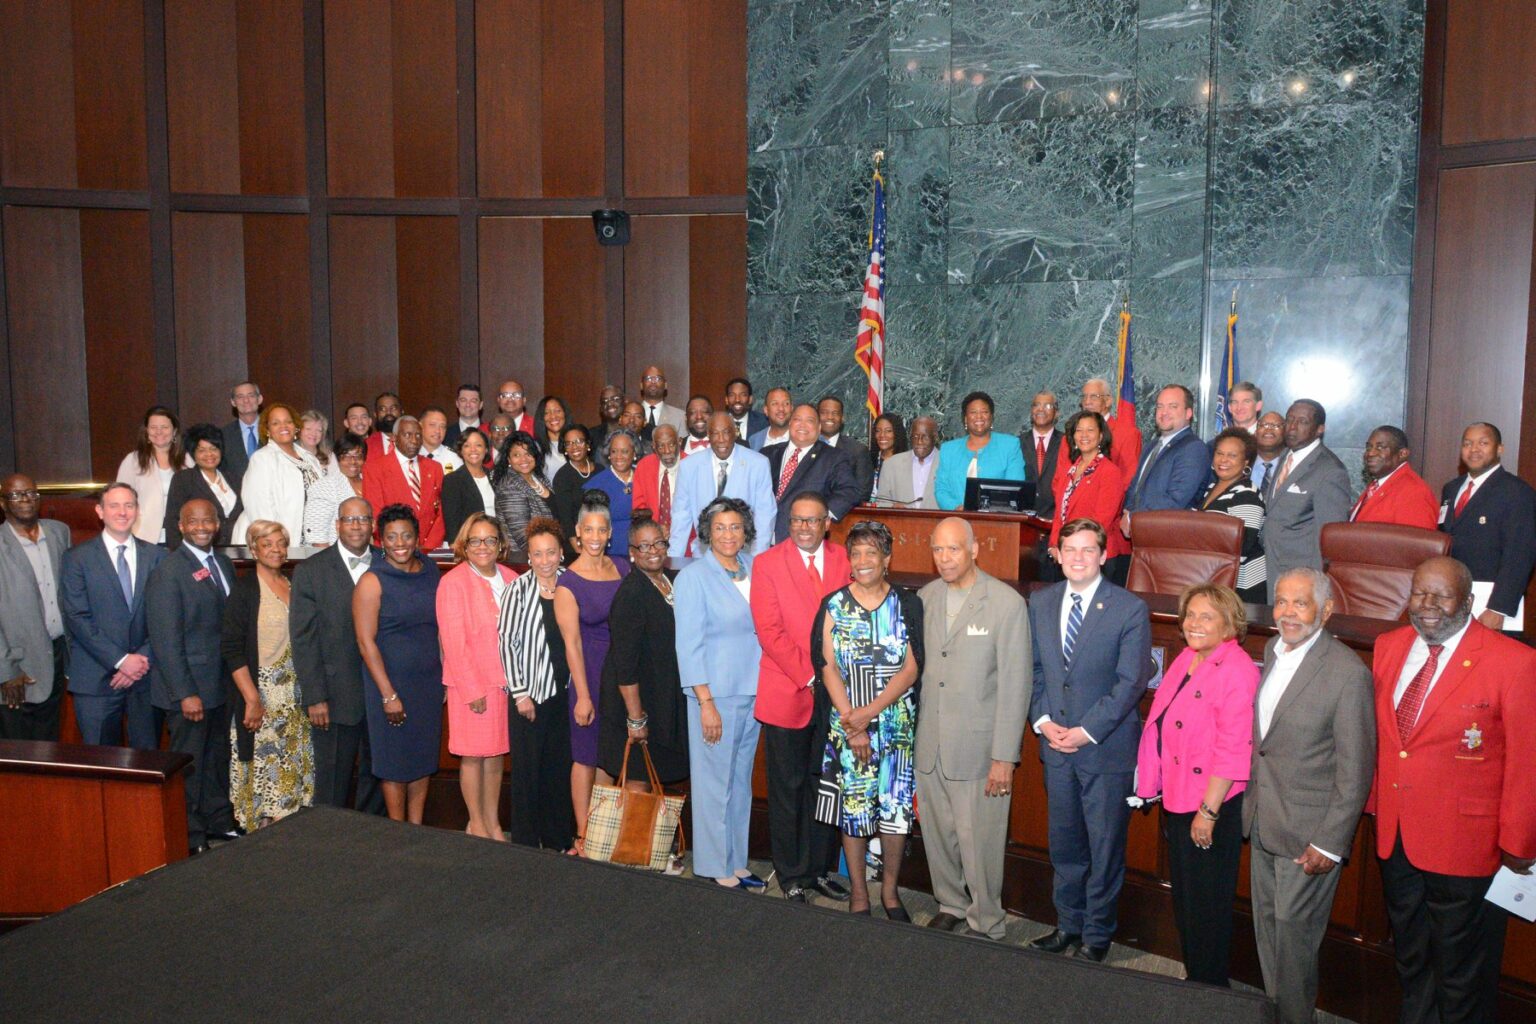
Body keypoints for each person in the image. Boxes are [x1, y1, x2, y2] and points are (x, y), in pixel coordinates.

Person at [1372, 556, 1536, 1022]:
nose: (1428, 606)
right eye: (1420, 593)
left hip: (1467, 845)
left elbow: (1528, 761)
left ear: (1467, 601)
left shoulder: (1515, 662)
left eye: (1441, 596)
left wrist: (1520, 842)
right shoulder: (1389, 646)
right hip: (1397, 837)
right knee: (1411, 959)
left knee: (1462, 974)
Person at [1244, 568, 1373, 1024]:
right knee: (1269, 933)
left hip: (1308, 836)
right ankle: (1279, 1015)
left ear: (1327, 610)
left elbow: (1355, 770)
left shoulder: (1347, 673)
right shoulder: (1272, 650)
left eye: (1300, 603)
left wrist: (1329, 843)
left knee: (1294, 944)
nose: (1287, 613)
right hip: (1263, 818)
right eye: (1281, 602)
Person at [1027, 518, 1152, 961]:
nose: (1078, 558)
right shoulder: (1040, 603)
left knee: (1103, 847)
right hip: (1055, 746)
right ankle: (1068, 925)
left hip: (1105, 748)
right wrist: (1042, 722)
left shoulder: (1128, 609)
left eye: (1088, 550)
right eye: (1070, 550)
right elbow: (1036, 672)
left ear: (1103, 555)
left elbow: (1130, 682)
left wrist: (1084, 732)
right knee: (1065, 845)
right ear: (1057, 555)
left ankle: (1097, 937)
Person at [1135, 582, 1259, 987]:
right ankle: (1197, 978)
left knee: (1207, 906)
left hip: (1211, 806)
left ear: (1230, 624)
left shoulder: (1237, 669)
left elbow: (1232, 748)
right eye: (1190, 614)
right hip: (1178, 796)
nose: (1194, 623)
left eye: (1206, 616)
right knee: (1187, 901)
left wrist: (1208, 813)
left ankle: (1210, 990)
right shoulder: (1188, 658)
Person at [916, 517, 1031, 938]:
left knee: (979, 841)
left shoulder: (1005, 603)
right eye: (938, 550)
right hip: (930, 743)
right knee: (938, 835)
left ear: (974, 550)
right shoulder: (925, 598)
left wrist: (1004, 756)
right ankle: (950, 903)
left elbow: (1016, 684)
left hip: (980, 750)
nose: (945, 559)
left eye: (954, 549)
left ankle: (987, 920)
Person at [812, 521, 923, 919]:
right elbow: (826, 666)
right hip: (847, 725)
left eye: (871, 553)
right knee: (855, 807)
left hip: (895, 725)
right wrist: (851, 721)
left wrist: (870, 714)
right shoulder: (834, 604)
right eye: (855, 553)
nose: (862, 561)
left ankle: (889, 892)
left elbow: (911, 668)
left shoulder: (907, 603)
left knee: (894, 812)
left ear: (887, 559)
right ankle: (860, 893)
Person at [750, 492, 853, 904]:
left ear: (827, 523)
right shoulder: (768, 563)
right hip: (789, 690)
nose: (804, 528)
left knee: (824, 785)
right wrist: (814, 675)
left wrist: (837, 680)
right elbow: (769, 630)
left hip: (836, 698)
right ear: (787, 523)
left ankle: (817, 869)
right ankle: (790, 873)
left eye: (812, 521)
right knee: (788, 788)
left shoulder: (846, 559)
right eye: (797, 521)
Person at [675, 496, 765, 890]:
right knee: (713, 784)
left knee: (740, 783)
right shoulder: (693, 578)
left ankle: (737, 859)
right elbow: (688, 645)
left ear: (746, 531)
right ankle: (713, 864)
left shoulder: (753, 569)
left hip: (753, 692)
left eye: (735, 527)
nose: (729, 535)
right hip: (714, 696)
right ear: (706, 533)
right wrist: (705, 702)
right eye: (720, 527)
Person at [147, 499, 237, 853]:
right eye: (193, 521)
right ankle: (191, 835)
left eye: (208, 520)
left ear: (218, 525)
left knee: (216, 758)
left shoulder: (224, 564)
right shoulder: (169, 571)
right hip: (190, 691)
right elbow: (166, 641)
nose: (202, 526)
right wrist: (185, 692)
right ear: (181, 526)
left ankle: (218, 823)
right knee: (191, 766)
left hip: (220, 686)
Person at [290, 496, 385, 814]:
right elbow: (304, 640)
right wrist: (315, 696)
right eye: (349, 519)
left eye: (363, 519)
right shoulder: (311, 570)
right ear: (337, 525)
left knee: (377, 779)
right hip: (333, 697)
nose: (357, 526)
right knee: (332, 785)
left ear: (372, 526)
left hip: (380, 694)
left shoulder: (389, 563)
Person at [354, 505, 443, 824]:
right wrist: (388, 695)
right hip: (389, 685)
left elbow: (439, 627)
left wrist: (444, 676)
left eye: (406, 535)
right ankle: (397, 831)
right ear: (381, 540)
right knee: (394, 763)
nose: (400, 542)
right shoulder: (372, 581)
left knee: (423, 758)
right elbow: (366, 643)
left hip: (428, 684)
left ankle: (416, 829)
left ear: (418, 537)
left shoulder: (430, 570)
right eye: (391, 537)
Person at [223, 519, 314, 831]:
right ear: (253, 549)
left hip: (294, 697)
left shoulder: (292, 583)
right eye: (267, 544)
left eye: (280, 543)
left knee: (291, 772)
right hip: (261, 697)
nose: (276, 549)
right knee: (266, 774)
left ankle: (286, 840)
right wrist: (251, 699)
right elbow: (232, 648)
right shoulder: (245, 589)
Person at [61, 483, 166, 748]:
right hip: (96, 679)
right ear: (100, 511)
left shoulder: (157, 556)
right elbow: (77, 617)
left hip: (145, 677)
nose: (122, 512)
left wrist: (139, 660)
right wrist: (120, 661)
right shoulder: (76, 558)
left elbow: (165, 618)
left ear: (137, 511)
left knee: (148, 763)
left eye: (129, 505)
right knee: (102, 769)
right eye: (114, 505)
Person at [497, 517, 578, 851]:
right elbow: (507, 642)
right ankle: (527, 846)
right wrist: (520, 694)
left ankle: (559, 839)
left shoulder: (572, 584)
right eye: (537, 554)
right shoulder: (518, 589)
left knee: (559, 772)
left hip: (565, 697)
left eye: (551, 553)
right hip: (529, 698)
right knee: (528, 776)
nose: (545, 560)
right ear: (529, 557)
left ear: (561, 553)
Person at [554, 491, 629, 846]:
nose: (596, 537)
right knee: (585, 757)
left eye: (602, 530)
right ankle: (583, 836)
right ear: (577, 533)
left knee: (609, 755)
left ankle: (602, 834)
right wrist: (583, 696)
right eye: (589, 530)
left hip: (622, 677)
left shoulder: (623, 567)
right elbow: (572, 644)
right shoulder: (569, 581)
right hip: (589, 675)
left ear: (610, 532)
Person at [438, 513, 516, 841]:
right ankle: (477, 823)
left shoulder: (512, 577)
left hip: (505, 684)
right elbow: (453, 642)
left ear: (500, 545)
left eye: (490, 540)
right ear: (464, 545)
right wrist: (472, 689)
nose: (483, 547)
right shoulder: (453, 582)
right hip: (470, 684)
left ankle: (492, 821)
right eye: (475, 541)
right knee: (472, 755)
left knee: (496, 754)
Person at [599, 518, 689, 788]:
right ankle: (630, 833)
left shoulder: (671, 580)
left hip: (661, 698)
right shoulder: (632, 592)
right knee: (637, 781)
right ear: (632, 552)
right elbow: (624, 663)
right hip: (637, 702)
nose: (653, 551)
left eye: (659, 543)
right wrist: (636, 718)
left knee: (653, 778)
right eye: (645, 546)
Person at [1438, 422, 1536, 632]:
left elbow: (1519, 556)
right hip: (1450, 597)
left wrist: (1498, 609)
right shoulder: (1451, 489)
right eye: (1467, 443)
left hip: (1489, 604)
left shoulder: (1517, 493)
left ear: (1499, 449)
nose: (1474, 449)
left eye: (1483, 443)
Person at [1259, 400, 1352, 601]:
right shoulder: (1286, 455)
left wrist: (1313, 586)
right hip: (1272, 564)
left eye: (1302, 422)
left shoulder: (1330, 471)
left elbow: (1329, 538)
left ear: (1319, 429)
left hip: (1301, 577)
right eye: (1289, 419)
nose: (1292, 427)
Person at [0, 475, 70, 740]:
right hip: (15, 667)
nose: (25, 499)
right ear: (3, 504)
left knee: (49, 746)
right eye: (16, 495)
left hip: (56, 655)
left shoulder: (58, 532)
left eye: (30, 493)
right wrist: (5, 670)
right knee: (18, 757)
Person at [667, 412, 776, 558]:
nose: (721, 440)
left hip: (744, 555)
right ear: (708, 435)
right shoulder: (689, 466)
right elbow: (681, 516)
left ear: (735, 433)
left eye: (726, 433)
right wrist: (674, 559)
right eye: (715, 434)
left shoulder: (758, 464)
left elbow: (765, 516)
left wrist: (757, 560)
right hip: (704, 555)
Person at [1121, 385, 1210, 546]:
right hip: (1143, 539)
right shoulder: (1151, 445)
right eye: (1160, 406)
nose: (1164, 412)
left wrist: (1132, 517)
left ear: (1188, 413)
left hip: (1170, 543)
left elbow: (1176, 499)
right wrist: (1127, 511)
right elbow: (1135, 486)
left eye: (1173, 406)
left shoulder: (1193, 448)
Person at [1046, 411, 1128, 580]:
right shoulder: (1070, 470)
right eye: (1079, 430)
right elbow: (1059, 514)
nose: (1084, 435)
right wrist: (1054, 545)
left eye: (1090, 430)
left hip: (1095, 556)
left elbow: (1101, 521)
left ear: (1100, 436)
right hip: (1066, 556)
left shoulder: (1110, 472)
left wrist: (1074, 548)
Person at [764, 404, 863, 540]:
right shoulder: (767, 454)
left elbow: (850, 490)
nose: (802, 425)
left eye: (809, 421)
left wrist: (819, 517)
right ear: (790, 423)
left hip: (804, 540)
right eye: (797, 419)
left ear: (819, 428)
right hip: (762, 540)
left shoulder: (833, 457)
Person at [234, 402, 322, 547]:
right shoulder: (262, 458)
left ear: (296, 427)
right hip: (276, 544)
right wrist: (276, 541)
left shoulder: (310, 459)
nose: (283, 426)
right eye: (276, 423)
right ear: (267, 430)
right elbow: (258, 507)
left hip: (311, 540)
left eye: (288, 421)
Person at [1198, 427, 1267, 604]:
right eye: (1219, 453)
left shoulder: (1247, 493)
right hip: (1216, 578)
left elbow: (1243, 545)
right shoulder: (1210, 489)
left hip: (1241, 587)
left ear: (1246, 462)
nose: (1224, 460)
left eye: (1232, 455)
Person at [362, 416, 446, 550]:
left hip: (429, 551)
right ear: (394, 437)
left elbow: (441, 512)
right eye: (408, 435)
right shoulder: (374, 469)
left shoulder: (434, 468)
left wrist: (427, 548)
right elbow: (375, 516)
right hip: (393, 551)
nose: (414, 440)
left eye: (418, 435)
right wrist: (401, 545)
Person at [933, 391, 1026, 511]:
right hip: (956, 519)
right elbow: (941, 489)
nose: (979, 416)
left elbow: (1015, 488)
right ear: (965, 418)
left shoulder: (1010, 446)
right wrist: (957, 507)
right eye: (973, 412)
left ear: (992, 417)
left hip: (997, 522)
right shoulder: (949, 450)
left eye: (984, 412)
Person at [117, 405, 192, 544]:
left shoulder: (187, 460)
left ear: (174, 431)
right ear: (146, 431)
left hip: (180, 535)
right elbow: (120, 499)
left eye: (164, 427)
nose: (159, 432)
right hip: (143, 534)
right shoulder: (133, 460)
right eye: (153, 427)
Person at [164, 423, 242, 548]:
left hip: (236, 552)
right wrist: (180, 556)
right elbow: (173, 521)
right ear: (193, 454)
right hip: (198, 552)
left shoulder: (234, 479)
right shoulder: (184, 479)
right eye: (202, 450)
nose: (209, 454)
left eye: (213, 449)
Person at [1351, 425, 1437, 530]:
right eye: (1369, 447)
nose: (1370, 453)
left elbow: (1417, 544)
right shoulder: (1377, 485)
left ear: (1402, 453)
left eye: (1380, 447)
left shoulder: (1414, 492)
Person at [493, 430, 555, 551]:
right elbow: (523, 537)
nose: (524, 459)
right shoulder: (509, 487)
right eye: (516, 455)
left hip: (550, 550)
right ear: (509, 460)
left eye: (528, 453)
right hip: (526, 558)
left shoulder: (540, 478)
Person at [302, 434, 366, 546]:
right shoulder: (324, 486)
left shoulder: (370, 482)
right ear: (337, 458)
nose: (352, 461)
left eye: (358, 456)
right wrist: (329, 562)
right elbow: (317, 536)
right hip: (335, 555)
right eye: (346, 456)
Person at [587, 430, 638, 558]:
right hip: (610, 551)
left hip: (642, 549)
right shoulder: (596, 484)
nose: (618, 456)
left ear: (634, 454)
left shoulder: (645, 477)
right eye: (614, 451)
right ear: (608, 454)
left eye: (624, 451)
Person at [1081, 376, 1141, 483]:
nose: (1087, 402)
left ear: (1108, 401)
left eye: (1094, 397)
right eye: (1084, 397)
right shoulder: (1073, 433)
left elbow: (1128, 481)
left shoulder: (1128, 434)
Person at [441, 428, 496, 545]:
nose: (473, 449)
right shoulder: (452, 480)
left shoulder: (495, 476)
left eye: (478, 445)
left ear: (486, 449)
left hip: (496, 540)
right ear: (460, 450)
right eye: (467, 445)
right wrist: (456, 547)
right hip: (469, 544)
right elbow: (451, 522)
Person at [873, 415, 938, 509]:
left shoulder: (948, 463)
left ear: (935, 437)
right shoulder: (891, 464)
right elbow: (881, 502)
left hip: (940, 523)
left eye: (925, 437)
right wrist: (893, 507)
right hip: (900, 522)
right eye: (915, 436)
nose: (919, 441)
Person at [816, 396, 873, 500]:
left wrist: (832, 510)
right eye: (824, 412)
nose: (830, 417)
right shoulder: (805, 446)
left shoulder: (857, 451)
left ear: (842, 418)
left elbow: (863, 493)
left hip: (844, 514)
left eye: (835, 413)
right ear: (816, 416)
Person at [631, 423, 681, 540]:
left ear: (679, 442)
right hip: (651, 537)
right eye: (661, 446)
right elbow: (639, 508)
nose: (667, 451)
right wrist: (656, 528)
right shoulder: (644, 466)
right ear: (654, 447)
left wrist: (673, 528)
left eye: (672, 444)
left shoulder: (692, 465)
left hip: (686, 538)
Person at [1022, 391, 1068, 518]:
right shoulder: (1017, 443)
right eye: (1036, 405)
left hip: (1055, 517)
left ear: (1056, 413)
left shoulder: (1067, 442)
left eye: (1047, 406)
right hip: (1024, 518)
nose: (1041, 409)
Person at [550, 424, 598, 545]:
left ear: (588, 444)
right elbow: (565, 516)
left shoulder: (601, 470)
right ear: (564, 449)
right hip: (577, 539)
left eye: (579, 441)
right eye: (569, 443)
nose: (574, 447)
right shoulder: (562, 477)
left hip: (601, 535)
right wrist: (574, 541)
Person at [221, 381, 263, 492]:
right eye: (240, 397)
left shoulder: (274, 431)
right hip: (238, 499)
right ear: (233, 402)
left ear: (259, 399)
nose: (246, 401)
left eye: (251, 395)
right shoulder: (223, 435)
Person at [867, 412, 907, 501]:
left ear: (897, 433)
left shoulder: (907, 462)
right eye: (878, 431)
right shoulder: (867, 459)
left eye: (888, 431)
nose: (882, 435)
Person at [638, 364, 686, 434]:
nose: (653, 382)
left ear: (665, 385)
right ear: (641, 385)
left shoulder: (680, 417)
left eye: (658, 378)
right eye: (648, 378)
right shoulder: (630, 416)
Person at [533, 396, 572, 481]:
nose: (553, 416)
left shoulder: (576, 444)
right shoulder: (535, 447)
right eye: (546, 413)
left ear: (565, 413)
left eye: (557, 411)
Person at [418, 407, 464, 474]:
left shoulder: (454, 459)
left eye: (442, 426)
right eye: (432, 425)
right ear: (420, 426)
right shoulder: (411, 455)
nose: (438, 431)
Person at [1250, 411, 1286, 494]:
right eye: (1263, 425)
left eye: (1276, 425)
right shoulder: (1242, 463)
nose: (1269, 429)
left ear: (1285, 433)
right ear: (1255, 433)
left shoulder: (1293, 466)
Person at [748, 386, 792, 451]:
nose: (781, 408)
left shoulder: (802, 437)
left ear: (792, 408)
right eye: (775, 404)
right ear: (766, 410)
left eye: (786, 403)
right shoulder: (754, 440)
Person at [724, 377, 768, 442]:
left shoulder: (764, 423)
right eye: (732, 395)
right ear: (726, 400)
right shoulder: (717, 422)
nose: (737, 399)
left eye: (743, 395)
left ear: (750, 399)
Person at [588, 385, 624, 462]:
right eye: (605, 401)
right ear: (601, 408)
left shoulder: (634, 430)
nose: (610, 404)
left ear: (624, 402)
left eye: (615, 399)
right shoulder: (592, 435)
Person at [364, 392, 403, 459]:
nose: (388, 412)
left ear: (402, 412)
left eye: (393, 408)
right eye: (383, 409)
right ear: (375, 414)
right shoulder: (366, 445)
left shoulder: (414, 441)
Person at [445, 383, 485, 448]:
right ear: (457, 403)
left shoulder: (489, 433)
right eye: (463, 400)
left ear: (480, 405)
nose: (468, 405)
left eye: (473, 401)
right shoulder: (445, 435)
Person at [298, 409, 336, 477]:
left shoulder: (329, 457)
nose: (313, 434)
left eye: (319, 430)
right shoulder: (290, 455)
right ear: (299, 430)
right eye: (308, 429)